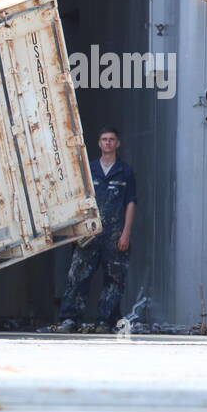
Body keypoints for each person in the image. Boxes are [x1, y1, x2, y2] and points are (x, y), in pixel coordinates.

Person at [54, 127, 137, 332]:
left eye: (111, 140)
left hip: (115, 236)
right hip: (89, 234)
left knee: (114, 281)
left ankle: (104, 322)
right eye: (104, 139)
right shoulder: (89, 170)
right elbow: (78, 201)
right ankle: (70, 319)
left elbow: (131, 203)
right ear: (99, 144)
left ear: (118, 143)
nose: (108, 143)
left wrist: (126, 233)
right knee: (77, 277)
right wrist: (76, 231)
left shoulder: (125, 172)